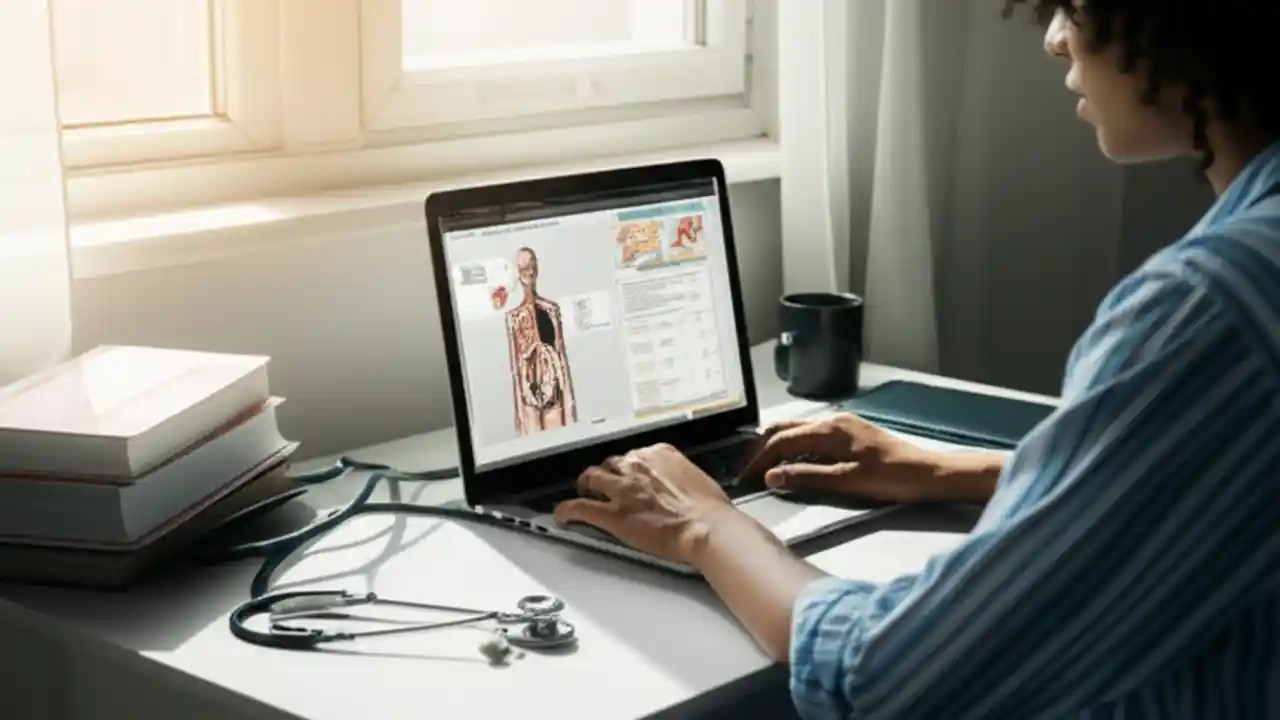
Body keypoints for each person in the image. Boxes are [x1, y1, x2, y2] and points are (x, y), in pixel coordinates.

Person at [554, 1, 1280, 717]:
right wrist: (950, 471)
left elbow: (895, 676)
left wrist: (702, 526)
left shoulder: (1211, 304)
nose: (1058, 40)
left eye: (1077, 5)